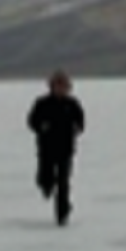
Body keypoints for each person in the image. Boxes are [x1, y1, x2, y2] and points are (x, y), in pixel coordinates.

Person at [27, 70, 86, 227]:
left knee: (63, 182)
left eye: (64, 86)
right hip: (46, 148)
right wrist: (41, 127)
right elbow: (32, 121)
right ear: (51, 87)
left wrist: (77, 128)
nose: (61, 89)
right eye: (57, 86)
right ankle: (46, 186)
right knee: (45, 178)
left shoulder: (72, 104)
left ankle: (63, 213)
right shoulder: (42, 103)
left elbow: (81, 122)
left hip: (65, 149)